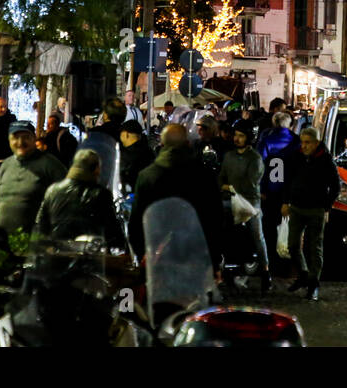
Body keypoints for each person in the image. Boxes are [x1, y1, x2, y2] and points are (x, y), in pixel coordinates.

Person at [128, 123, 222, 267]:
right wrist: (214, 259)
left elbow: (136, 221)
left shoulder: (147, 176)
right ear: (187, 143)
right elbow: (214, 218)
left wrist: (142, 253)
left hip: (159, 256)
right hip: (195, 254)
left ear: (162, 143)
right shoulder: (203, 175)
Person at [282, 127, 339, 301]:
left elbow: (336, 186)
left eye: (307, 143)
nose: (304, 146)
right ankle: (303, 274)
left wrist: (325, 206)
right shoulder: (297, 157)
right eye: (302, 142)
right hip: (297, 207)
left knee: (315, 248)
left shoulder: (326, 160)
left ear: (316, 143)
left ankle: (313, 284)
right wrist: (286, 201)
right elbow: (288, 179)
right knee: (292, 245)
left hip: (315, 209)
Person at [34, 149, 125, 248]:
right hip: (89, 254)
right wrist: (121, 248)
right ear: (96, 169)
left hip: (58, 255)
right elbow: (112, 229)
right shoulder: (101, 194)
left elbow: (41, 224)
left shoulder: (52, 190)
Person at [220, 119, 269, 293]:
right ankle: (229, 271)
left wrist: (230, 187)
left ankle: (265, 272)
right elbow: (222, 178)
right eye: (236, 135)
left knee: (257, 236)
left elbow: (250, 183)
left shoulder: (255, 158)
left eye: (241, 136)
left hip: (250, 203)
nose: (237, 139)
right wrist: (227, 187)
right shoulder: (229, 156)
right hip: (232, 201)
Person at [0, 122, 68, 234]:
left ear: (34, 139)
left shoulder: (49, 164)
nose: (20, 142)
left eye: (26, 137)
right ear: (9, 140)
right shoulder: (6, 165)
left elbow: (67, 198)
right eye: (15, 138)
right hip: (3, 239)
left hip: (36, 242)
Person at [257, 113, 299, 276]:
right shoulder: (295, 141)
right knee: (290, 227)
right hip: (290, 191)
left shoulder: (266, 140)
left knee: (269, 227)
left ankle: (271, 263)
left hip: (270, 191)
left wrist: (261, 189)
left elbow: (259, 165)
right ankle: (288, 262)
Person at [118, 120, 154, 194]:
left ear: (126, 134)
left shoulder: (127, 155)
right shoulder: (149, 151)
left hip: (131, 195)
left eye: (121, 134)